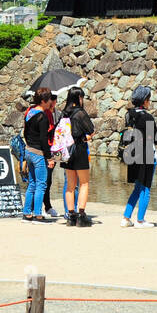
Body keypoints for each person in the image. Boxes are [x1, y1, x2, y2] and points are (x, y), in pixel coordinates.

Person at [121, 86, 157, 228]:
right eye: (148, 99)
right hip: (147, 154)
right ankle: (140, 220)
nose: (149, 101)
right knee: (145, 188)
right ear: (144, 100)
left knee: (137, 187)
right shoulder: (147, 117)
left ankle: (126, 217)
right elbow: (155, 138)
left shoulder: (129, 115)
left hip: (133, 154)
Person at [60, 88, 95, 227]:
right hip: (79, 149)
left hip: (66, 151)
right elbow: (91, 130)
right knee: (84, 183)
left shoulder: (64, 113)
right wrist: (88, 137)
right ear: (79, 97)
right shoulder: (80, 113)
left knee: (70, 185)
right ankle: (81, 215)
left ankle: (71, 215)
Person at [22, 91, 55, 222]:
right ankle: (37, 214)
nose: (51, 102)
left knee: (32, 183)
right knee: (41, 184)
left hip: (28, 150)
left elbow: (25, 132)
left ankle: (26, 213)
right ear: (43, 101)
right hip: (38, 153)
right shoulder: (42, 117)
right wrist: (49, 158)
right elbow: (43, 139)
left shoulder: (30, 112)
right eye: (49, 100)